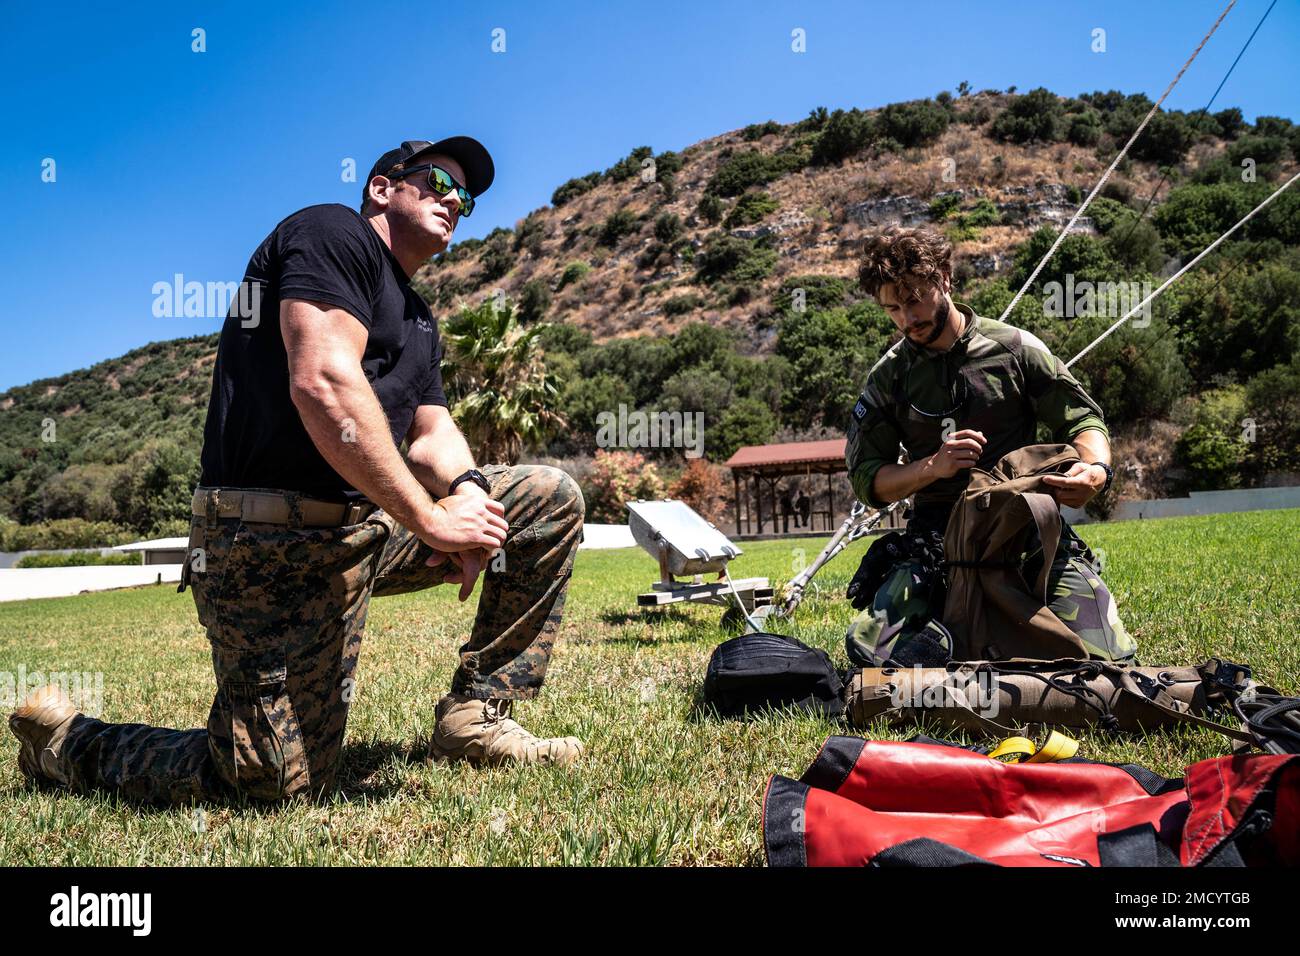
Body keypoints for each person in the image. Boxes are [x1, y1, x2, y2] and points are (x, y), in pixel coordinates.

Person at [9, 138, 585, 806]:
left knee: (547, 498)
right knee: (272, 783)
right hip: (266, 545)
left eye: (467, 196)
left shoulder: (419, 318)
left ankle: (473, 718)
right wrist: (428, 520)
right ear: (381, 188)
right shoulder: (329, 233)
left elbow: (432, 433)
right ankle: (66, 741)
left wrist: (470, 500)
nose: (455, 201)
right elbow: (324, 382)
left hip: (364, 527)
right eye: (438, 181)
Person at [843, 226, 1134, 667]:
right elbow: (869, 479)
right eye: (892, 309)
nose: (906, 319)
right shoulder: (889, 377)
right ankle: (952, 628)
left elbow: (1084, 420)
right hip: (938, 537)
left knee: (1108, 660)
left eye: (915, 299)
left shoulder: (1015, 350)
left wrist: (1096, 471)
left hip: (1023, 527)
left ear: (944, 278)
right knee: (870, 654)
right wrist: (930, 468)